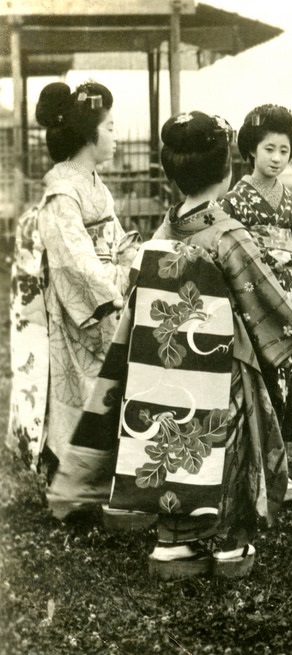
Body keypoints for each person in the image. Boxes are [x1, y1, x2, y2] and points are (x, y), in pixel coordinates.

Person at [50, 111, 292, 579]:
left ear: (172, 173)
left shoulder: (161, 233)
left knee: (170, 443)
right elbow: (266, 297)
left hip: (165, 372)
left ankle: (174, 543)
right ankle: (230, 545)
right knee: (232, 447)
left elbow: (139, 295)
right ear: (227, 170)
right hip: (222, 367)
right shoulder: (227, 233)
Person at [7, 80, 139, 499]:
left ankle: (97, 480)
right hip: (77, 307)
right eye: (111, 127)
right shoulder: (63, 191)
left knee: (102, 387)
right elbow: (74, 261)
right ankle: (72, 484)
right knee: (76, 392)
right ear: (89, 135)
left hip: (101, 299)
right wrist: (116, 282)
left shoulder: (92, 182)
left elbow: (117, 241)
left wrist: (131, 263)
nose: (116, 136)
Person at [220, 104, 292, 500]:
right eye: (269, 149)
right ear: (250, 150)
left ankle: (281, 473)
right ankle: (258, 471)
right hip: (253, 300)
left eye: (284, 150)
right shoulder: (234, 202)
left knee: (287, 383)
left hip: (289, 300)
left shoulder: (291, 204)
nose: (277, 158)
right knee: (258, 383)